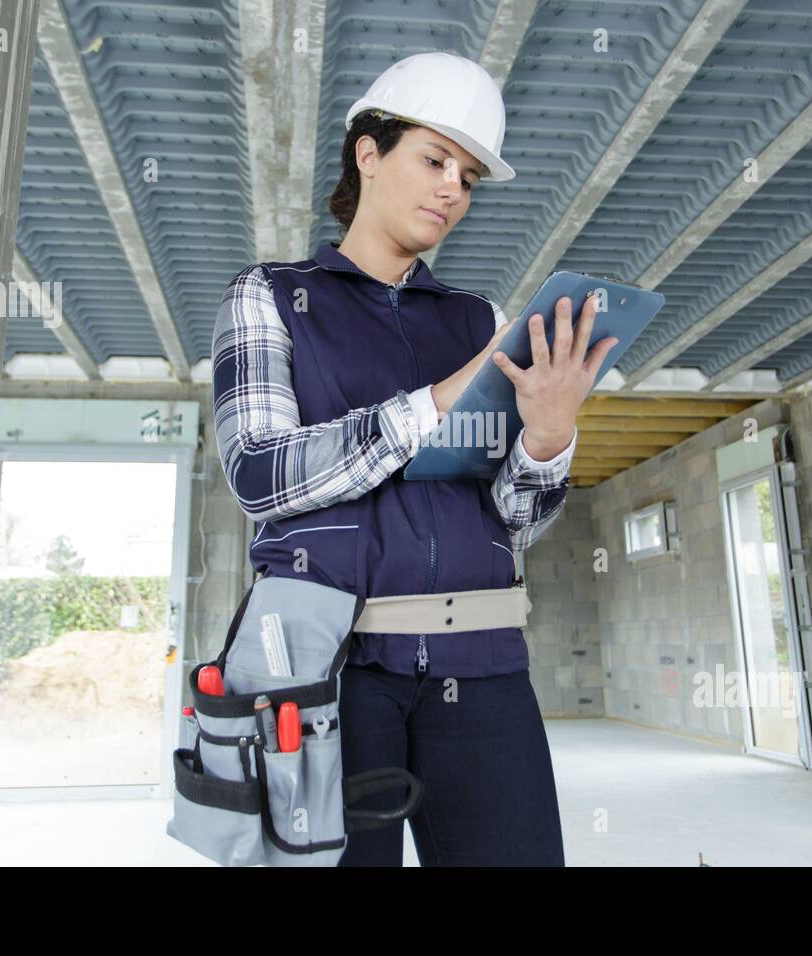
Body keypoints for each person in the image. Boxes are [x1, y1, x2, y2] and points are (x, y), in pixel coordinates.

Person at [211, 51, 617, 866]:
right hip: (330, 673)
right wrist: (435, 400)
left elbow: (514, 517)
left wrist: (547, 437)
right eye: (435, 160)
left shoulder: (478, 320)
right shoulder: (270, 296)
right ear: (368, 152)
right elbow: (259, 473)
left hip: (486, 665)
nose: (451, 192)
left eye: (467, 177)